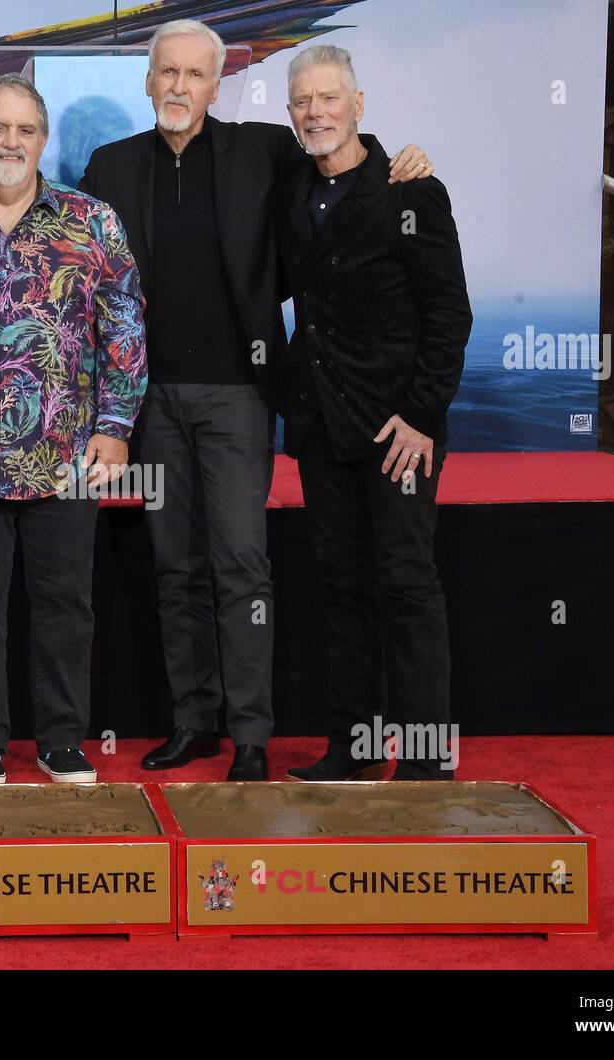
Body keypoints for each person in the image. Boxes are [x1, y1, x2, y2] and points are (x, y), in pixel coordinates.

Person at [80, 20, 432, 781]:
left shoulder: (263, 150)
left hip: (242, 393)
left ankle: (250, 735)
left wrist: (407, 159)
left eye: (194, 75)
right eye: (166, 73)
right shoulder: (108, 167)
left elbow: (340, 146)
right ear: (148, 82)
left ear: (218, 84)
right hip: (150, 403)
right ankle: (192, 722)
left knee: (241, 563)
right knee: (174, 565)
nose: (179, 87)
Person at [0, 74, 147, 785]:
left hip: (66, 451)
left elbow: (125, 324)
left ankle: (60, 739)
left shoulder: (91, 222)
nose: (11, 142)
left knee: (66, 604)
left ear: (41, 141)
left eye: (25, 130)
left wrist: (115, 424)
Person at [275, 45, 472, 781]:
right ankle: (353, 750)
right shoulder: (290, 189)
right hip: (324, 427)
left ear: (359, 103)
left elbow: (449, 314)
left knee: (406, 584)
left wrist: (422, 414)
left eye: (329, 97)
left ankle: (423, 762)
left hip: (400, 430)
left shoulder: (411, 192)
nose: (316, 111)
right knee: (342, 588)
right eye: (302, 100)